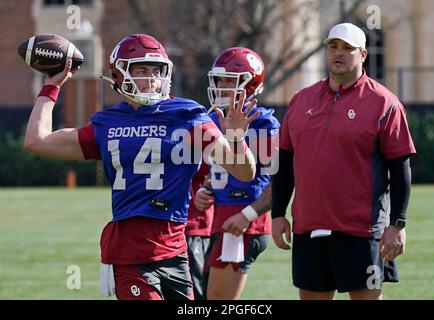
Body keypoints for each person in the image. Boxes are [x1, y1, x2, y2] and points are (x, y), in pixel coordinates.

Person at [24, 34, 260, 300]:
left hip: (174, 249)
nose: (152, 79)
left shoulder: (187, 115)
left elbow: (244, 172)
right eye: (142, 70)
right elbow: (37, 140)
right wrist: (51, 87)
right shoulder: (108, 122)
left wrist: (237, 139)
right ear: (120, 75)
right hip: (130, 252)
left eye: (157, 71)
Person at [271, 23, 416, 300]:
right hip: (308, 226)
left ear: (362, 54)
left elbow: (400, 168)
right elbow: (285, 162)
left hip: (362, 231)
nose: (338, 53)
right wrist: (278, 214)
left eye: (347, 48)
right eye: (333, 47)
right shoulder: (301, 100)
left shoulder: (384, 103)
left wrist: (398, 224)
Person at [195, 47, 280, 300]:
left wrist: (247, 215)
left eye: (229, 81)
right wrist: (206, 190)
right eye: (219, 80)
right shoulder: (216, 119)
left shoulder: (264, 125)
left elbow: (283, 181)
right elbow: (224, 170)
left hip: (242, 222)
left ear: (250, 84)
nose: (221, 86)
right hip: (222, 217)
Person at [185, 164, 214, 300]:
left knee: (197, 285)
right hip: (166, 223)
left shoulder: (204, 143)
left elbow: (215, 168)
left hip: (193, 219)